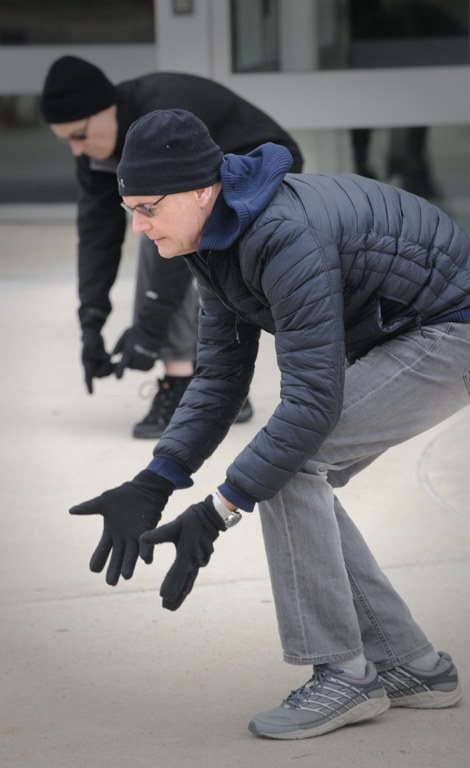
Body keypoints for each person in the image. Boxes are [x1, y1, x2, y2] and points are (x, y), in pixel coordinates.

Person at [70, 109, 469, 740]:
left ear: (202, 190)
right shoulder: (212, 239)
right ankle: (410, 665)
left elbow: (309, 403)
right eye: (130, 207)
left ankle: (345, 673)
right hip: (393, 328)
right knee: (289, 470)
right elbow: (220, 378)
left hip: (450, 328)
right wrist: (157, 479)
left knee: (289, 464)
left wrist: (218, 509)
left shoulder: (281, 235)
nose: (137, 224)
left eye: (147, 207)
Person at [40, 56, 304, 437]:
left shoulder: (159, 117)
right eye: (65, 140)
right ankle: (225, 384)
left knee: (165, 229)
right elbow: (96, 238)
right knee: (159, 219)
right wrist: (91, 326)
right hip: (201, 189)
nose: (76, 151)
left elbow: (173, 230)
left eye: (79, 135)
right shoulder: (96, 152)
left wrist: (148, 333)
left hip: (262, 172)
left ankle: (183, 379)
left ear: (107, 107)